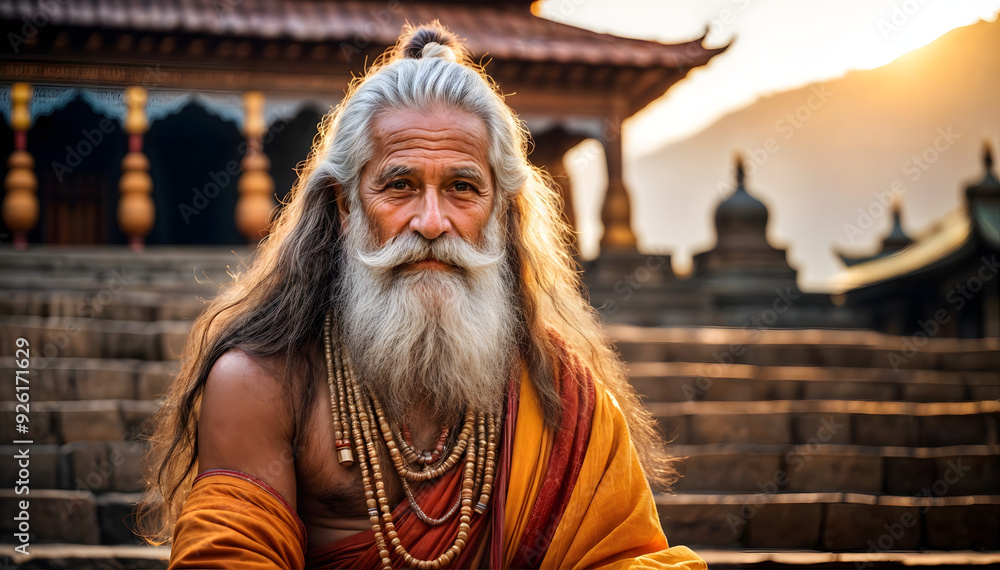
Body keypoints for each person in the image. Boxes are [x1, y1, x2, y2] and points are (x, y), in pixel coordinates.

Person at [141, 22, 706, 570]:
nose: (432, 222)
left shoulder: (558, 391)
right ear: (345, 206)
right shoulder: (262, 382)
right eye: (400, 185)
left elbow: (628, 559)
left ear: (501, 214)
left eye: (462, 187)